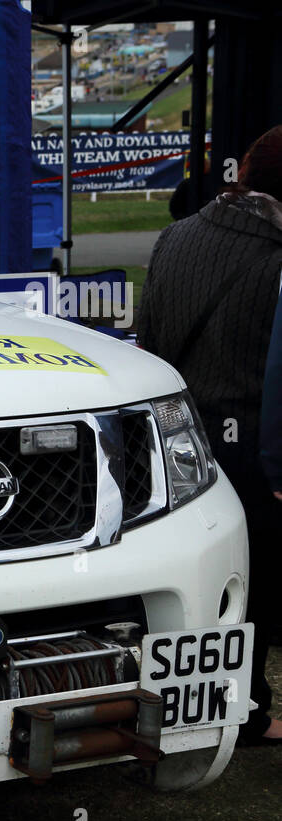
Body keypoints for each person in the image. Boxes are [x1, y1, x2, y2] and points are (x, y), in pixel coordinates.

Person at [137, 125, 282, 745]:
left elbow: (148, 343)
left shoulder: (176, 235)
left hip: (174, 441)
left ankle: (193, 706)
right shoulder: (275, 256)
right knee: (253, 588)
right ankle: (246, 713)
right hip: (252, 445)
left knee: (195, 582)